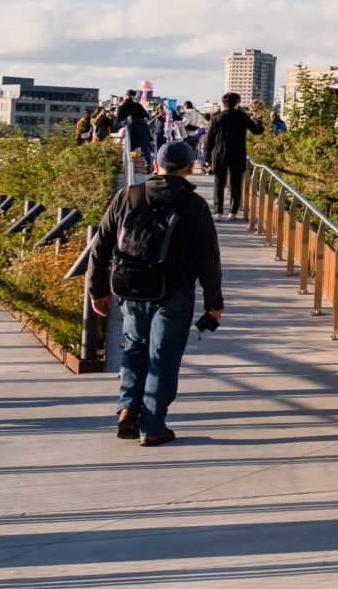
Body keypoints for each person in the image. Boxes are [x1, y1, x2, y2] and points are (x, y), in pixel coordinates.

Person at [88, 139, 223, 446]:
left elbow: (101, 245)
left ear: (156, 165)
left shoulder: (129, 195)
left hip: (131, 289)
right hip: (173, 292)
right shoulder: (194, 205)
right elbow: (208, 259)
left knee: (134, 346)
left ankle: (127, 409)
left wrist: (97, 289)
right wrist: (214, 303)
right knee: (163, 356)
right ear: (190, 168)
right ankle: (152, 426)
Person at [201, 91, 265, 220]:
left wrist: (207, 158)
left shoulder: (216, 118)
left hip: (219, 153)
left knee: (219, 182)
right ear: (237, 103)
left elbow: (208, 140)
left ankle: (218, 212)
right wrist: (258, 119)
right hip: (238, 153)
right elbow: (257, 130)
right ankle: (233, 212)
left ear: (223, 103)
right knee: (236, 182)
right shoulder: (242, 116)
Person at [116, 89, 156, 169]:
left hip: (132, 127)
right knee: (145, 146)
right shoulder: (137, 105)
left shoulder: (123, 105)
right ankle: (148, 165)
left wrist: (121, 108)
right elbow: (146, 115)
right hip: (142, 126)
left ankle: (122, 163)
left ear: (126, 95)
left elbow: (118, 119)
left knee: (129, 146)